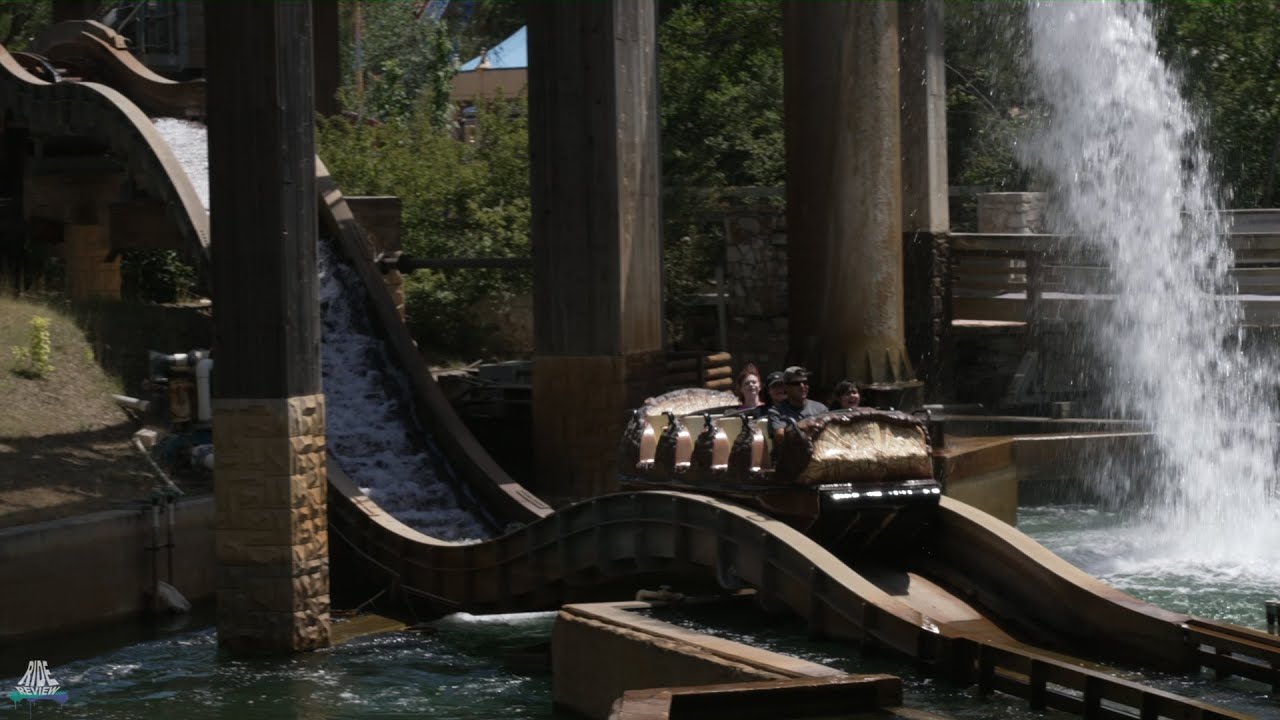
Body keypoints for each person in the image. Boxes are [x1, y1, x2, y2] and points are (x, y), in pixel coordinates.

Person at [768, 366, 828, 434]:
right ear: (786, 387)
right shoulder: (777, 411)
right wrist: (805, 426)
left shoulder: (820, 408)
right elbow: (780, 436)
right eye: (796, 383)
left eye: (805, 382)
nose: (802, 386)